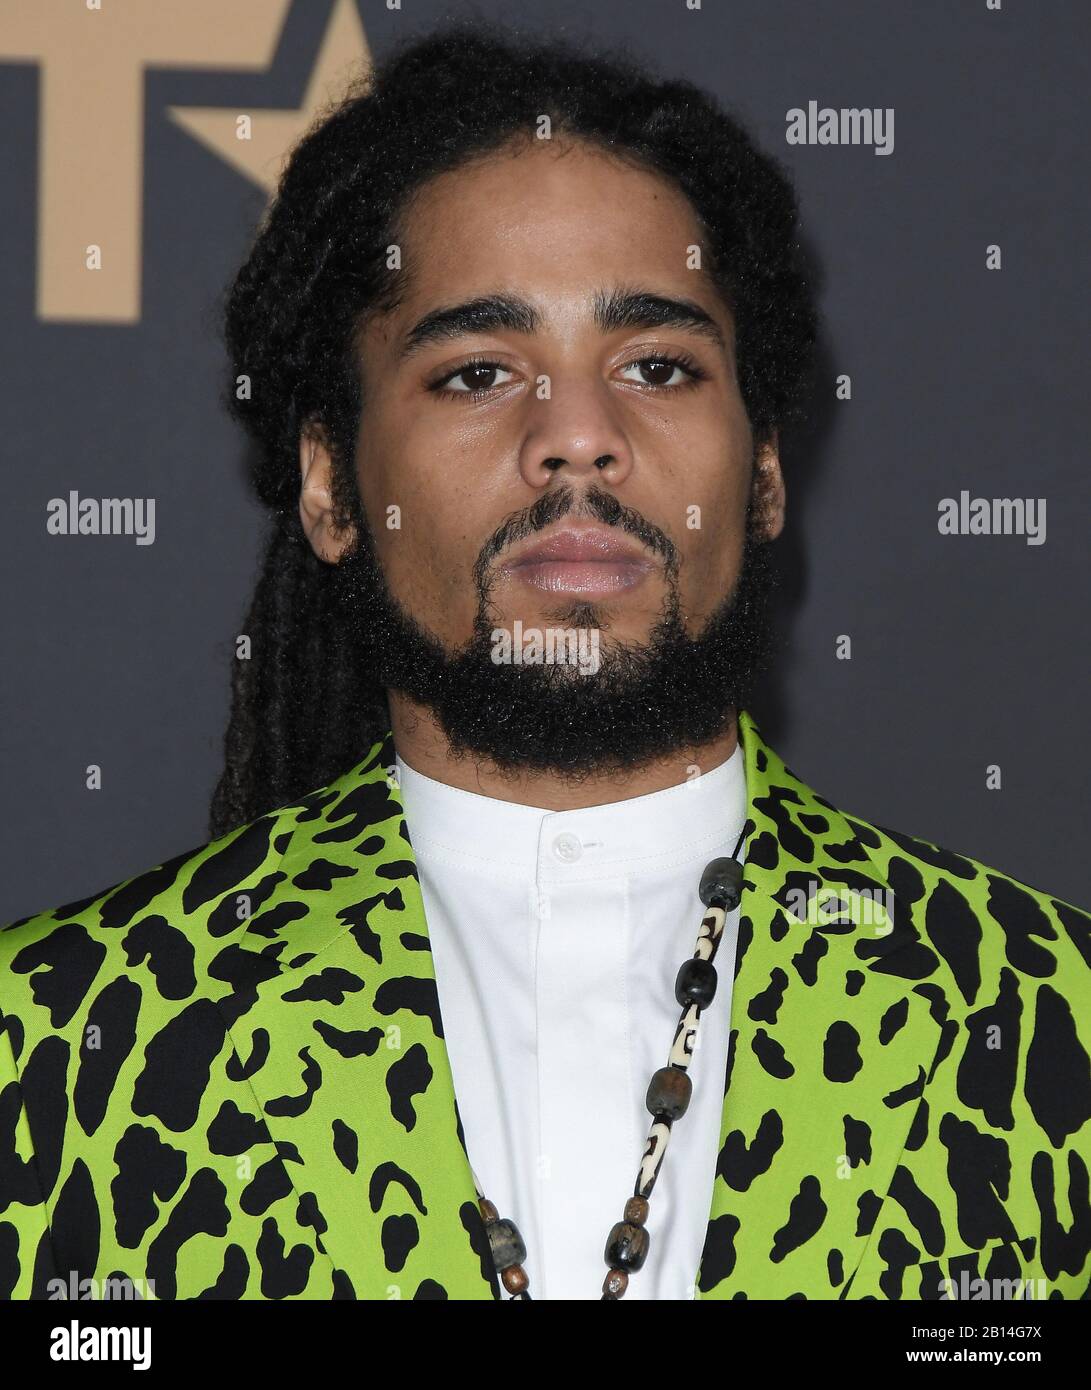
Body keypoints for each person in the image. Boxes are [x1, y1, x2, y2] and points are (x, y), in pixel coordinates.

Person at [2, 21, 1088, 1303]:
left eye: (656, 365)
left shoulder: (1041, 1021)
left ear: (764, 473)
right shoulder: (57, 1044)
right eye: (476, 371)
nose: (577, 437)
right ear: (330, 485)